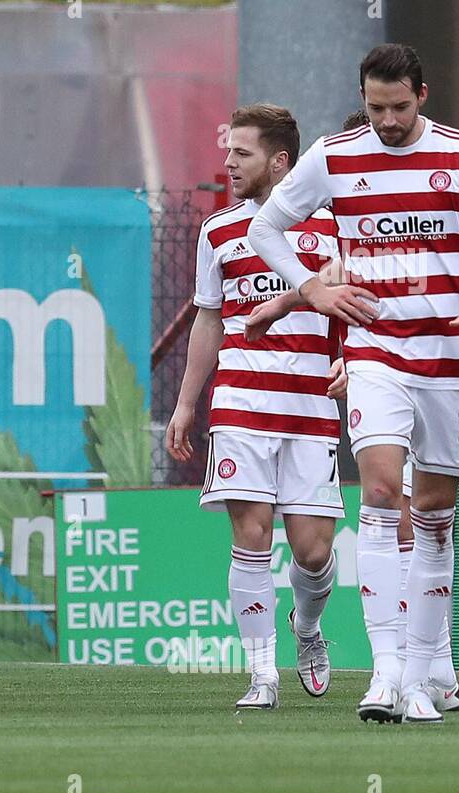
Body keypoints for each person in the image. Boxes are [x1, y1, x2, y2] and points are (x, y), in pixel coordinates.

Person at [247, 44, 459, 723]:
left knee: (432, 521)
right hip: (376, 354)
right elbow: (267, 225)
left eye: (398, 107)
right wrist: (309, 286)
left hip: (450, 361)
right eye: (375, 108)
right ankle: (385, 673)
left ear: (422, 94)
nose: (387, 121)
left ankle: (424, 676)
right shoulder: (336, 156)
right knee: (377, 493)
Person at [167, 104, 347, 710]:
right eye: (227, 152)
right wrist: (187, 404)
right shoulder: (219, 230)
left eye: (241, 153)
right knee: (251, 535)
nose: (228, 163)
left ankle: (308, 627)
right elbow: (208, 318)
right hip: (241, 404)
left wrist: (350, 359)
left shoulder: (333, 226)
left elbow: (354, 305)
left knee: (315, 553)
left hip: (311, 408)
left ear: (280, 162)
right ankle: (262, 675)